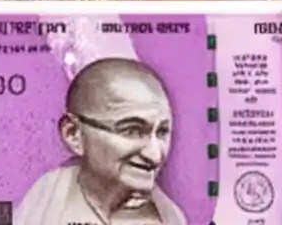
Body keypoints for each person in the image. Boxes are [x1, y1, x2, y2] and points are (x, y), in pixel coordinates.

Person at [15, 58, 186, 225]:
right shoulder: (45, 200)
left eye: (162, 132)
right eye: (132, 131)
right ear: (73, 134)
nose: (155, 156)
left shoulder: (167, 217)